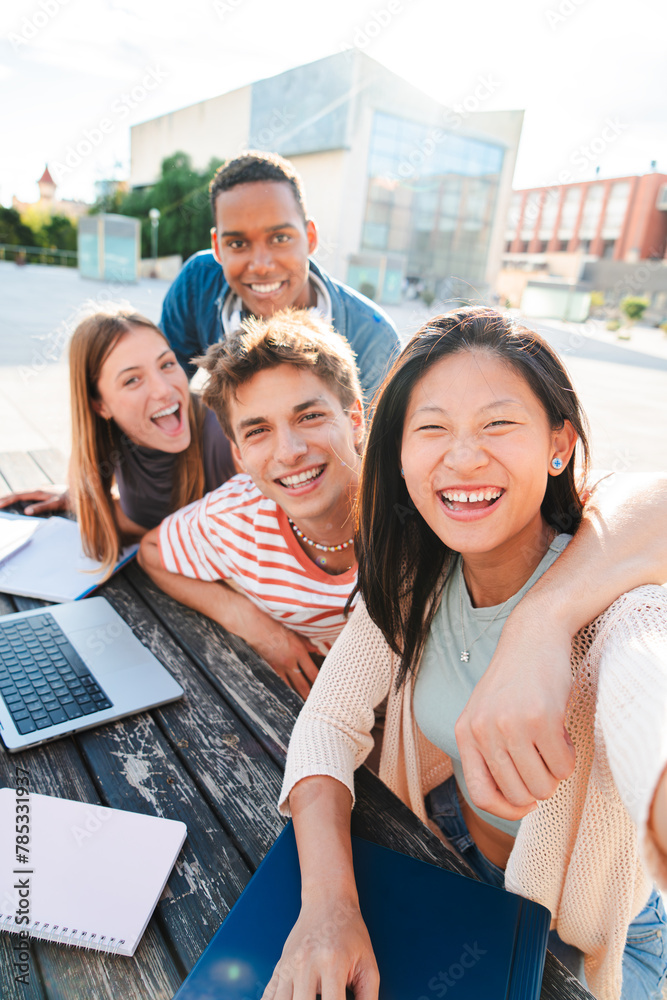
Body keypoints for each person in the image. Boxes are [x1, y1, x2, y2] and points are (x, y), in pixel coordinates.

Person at [267, 307, 667, 1000]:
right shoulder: (414, 580)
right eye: (431, 429)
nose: (461, 456)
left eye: (497, 423)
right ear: (395, 451)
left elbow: (647, 700)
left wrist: (540, 624)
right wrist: (327, 906)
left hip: (596, 932)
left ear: (558, 443)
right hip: (451, 851)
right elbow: (328, 724)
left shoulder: (620, 604)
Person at [138, 309, 364, 698]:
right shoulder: (235, 518)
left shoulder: (418, 503)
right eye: (258, 430)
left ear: (355, 419)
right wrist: (253, 624)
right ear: (238, 455)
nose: (289, 452)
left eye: (309, 416)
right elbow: (152, 551)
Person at [0, 307, 236, 573]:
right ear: (100, 406)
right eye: (132, 380)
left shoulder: (229, 439)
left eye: (167, 364)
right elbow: (150, 517)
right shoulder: (117, 439)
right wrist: (82, 497)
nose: (163, 389)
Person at [158, 150, 401, 403]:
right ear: (217, 247)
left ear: (310, 238)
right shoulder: (198, 283)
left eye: (280, 239)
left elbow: (368, 442)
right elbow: (160, 393)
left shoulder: (374, 340)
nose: (261, 266)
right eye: (238, 243)